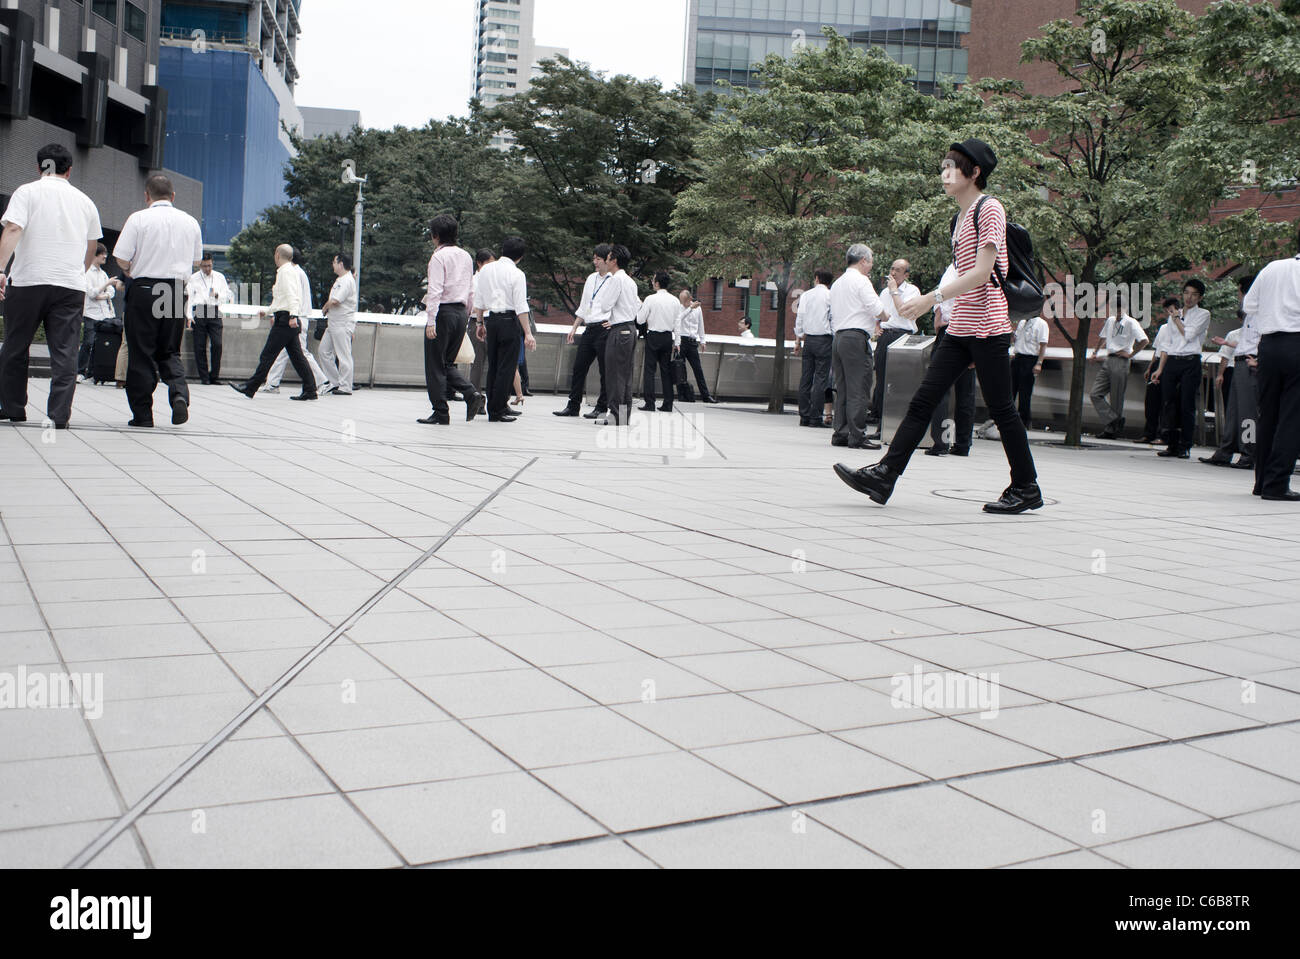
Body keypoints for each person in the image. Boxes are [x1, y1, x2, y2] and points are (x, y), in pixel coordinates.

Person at [835, 138, 1043, 514]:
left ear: (974, 172)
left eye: (952, 166)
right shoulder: (958, 219)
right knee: (923, 400)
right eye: (943, 166)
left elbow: (982, 274)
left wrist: (930, 299)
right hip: (961, 327)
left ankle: (1026, 487)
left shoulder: (989, 209)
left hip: (989, 326)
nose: (944, 173)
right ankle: (885, 475)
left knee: (1002, 409)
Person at [0, 144, 103, 429]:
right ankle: (58, 416)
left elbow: (12, 228)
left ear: (39, 167)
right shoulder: (85, 201)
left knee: (15, 346)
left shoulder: (27, 192)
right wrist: (76, 273)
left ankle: (13, 408)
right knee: (65, 351)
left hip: (28, 281)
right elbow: (91, 245)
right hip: (70, 286)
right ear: (70, 170)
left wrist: (0, 268)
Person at [113, 174, 204, 428]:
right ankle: (178, 394)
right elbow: (196, 261)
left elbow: (121, 257)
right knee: (169, 350)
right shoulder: (190, 221)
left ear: (147, 196)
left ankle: (143, 415)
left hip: (144, 289)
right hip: (174, 290)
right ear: (173, 196)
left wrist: (132, 268)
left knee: (141, 352)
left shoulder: (138, 218)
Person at [1244, 250, 1300, 500]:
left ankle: (1262, 481)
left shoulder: (1272, 267)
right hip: (1297, 343)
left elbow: (1249, 306)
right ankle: (1276, 484)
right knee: (1292, 417)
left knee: (1267, 414)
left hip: (1268, 346)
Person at [229, 245, 317, 401]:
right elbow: (283, 299)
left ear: (277, 255)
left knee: (268, 355)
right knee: (297, 357)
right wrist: (268, 311)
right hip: (285, 317)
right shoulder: (289, 271)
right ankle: (310, 389)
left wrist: (292, 316)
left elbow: (292, 296)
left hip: (285, 320)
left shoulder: (286, 272)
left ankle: (250, 387)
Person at [416, 215, 480, 425]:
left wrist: (431, 320)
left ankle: (441, 411)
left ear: (435, 236)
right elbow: (471, 290)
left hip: (443, 313)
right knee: (447, 363)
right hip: (461, 314)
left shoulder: (438, 257)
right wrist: (468, 316)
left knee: (435, 365)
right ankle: (470, 394)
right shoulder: (466, 256)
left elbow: (435, 290)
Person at [829, 244, 887, 450]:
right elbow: (878, 309)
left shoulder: (837, 283)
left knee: (843, 387)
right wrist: (885, 316)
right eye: (870, 261)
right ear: (863, 260)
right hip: (855, 338)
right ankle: (857, 435)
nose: (871, 265)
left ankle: (841, 432)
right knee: (859, 387)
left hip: (839, 337)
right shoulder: (861, 281)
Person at [477, 237, 535, 422]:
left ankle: (495, 406)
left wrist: (479, 323)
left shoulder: (486, 269)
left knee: (493, 365)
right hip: (509, 321)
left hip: (492, 320)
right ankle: (498, 409)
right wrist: (528, 332)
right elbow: (521, 306)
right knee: (507, 368)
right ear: (520, 256)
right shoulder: (517, 274)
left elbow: (479, 299)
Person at [1152, 279, 1210, 459]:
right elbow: (1166, 343)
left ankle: (1185, 445)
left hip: (1190, 361)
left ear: (1200, 297)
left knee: (1186, 404)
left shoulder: (1203, 314)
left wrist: (1176, 318)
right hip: (1172, 361)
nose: (1189, 297)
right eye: (1186, 293)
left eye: (1193, 294)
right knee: (1169, 403)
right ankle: (1171, 443)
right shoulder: (1173, 316)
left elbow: (1190, 334)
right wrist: (1160, 368)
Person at [924, 262, 976, 457]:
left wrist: (938, 317)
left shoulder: (962, 267)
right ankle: (958, 443)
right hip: (960, 329)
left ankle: (945, 443)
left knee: (943, 389)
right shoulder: (959, 266)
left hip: (958, 330)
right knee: (963, 392)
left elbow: (942, 295)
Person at [555, 244, 613, 418]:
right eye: (594, 258)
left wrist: (613, 322)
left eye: (598, 259)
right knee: (579, 367)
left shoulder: (614, 280)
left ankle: (601, 408)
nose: (595, 262)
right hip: (589, 327)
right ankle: (573, 406)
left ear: (607, 260)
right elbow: (584, 305)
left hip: (604, 328)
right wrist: (574, 327)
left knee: (605, 370)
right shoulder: (591, 278)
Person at [265, 248, 331, 395]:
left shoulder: (292, 272)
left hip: (296, 318)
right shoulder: (299, 272)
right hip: (298, 317)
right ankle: (272, 382)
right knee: (286, 352)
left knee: (300, 352)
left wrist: (289, 316)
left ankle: (322, 381)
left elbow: (292, 297)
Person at [1201, 313, 1258, 469]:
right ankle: (1224, 452)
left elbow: (1260, 343)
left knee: (1248, 415)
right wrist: (1227, 343)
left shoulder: (1262, 315)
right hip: (1238, 364)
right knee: (1232, 413)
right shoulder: (1250, 319)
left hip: (1250, 364)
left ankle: (1248, 454)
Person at [1088, 295, 1149, 438]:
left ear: (1126, 308)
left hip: (1121, 361)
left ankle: (1111, 431)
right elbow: (1103, 337)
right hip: (1109, 359)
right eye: (1115, 308)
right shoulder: (1110, 320)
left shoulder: (1131, 322)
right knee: (1095, 394)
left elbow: (1144, 340)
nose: (1118, 311)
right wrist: (1095, 352)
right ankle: (1115, 421)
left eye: (1120, 308)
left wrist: (1131, 354)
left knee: (1116, 398)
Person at [869, 259, 921, 424]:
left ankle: (895, 418)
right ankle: (878, 416)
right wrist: (877, 327)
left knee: (897, 379)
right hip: (886, 335)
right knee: (881, 377)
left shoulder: (912, 290)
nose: (893, 273)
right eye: (892, 269)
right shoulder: (885, 292)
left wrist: (894, 292)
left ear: (906, 275)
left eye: (898, 270)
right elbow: (879, 313)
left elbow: (904, 312)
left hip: (903, 336)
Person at [596, 244, 641, 425]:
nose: (605, 262)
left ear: (614, 261)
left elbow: (605, 305)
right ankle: (623, 416)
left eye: (607, 258)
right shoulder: (630, 281)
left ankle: (614, 415)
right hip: (630, 330)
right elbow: (638, 306)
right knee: (626, 376)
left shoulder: (615, 280)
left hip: (619, 331)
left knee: (614, 375)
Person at [637, 271, 682, 413]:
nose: (652, 282)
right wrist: (678, 342)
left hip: (653, 336)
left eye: (653, 280)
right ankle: (668, 403)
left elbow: (640, 320)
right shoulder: (675, 300)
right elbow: (678, 323)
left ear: (657, 283)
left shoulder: (650, 299)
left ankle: (649, 403)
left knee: (649, 371)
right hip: (668, 338)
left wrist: (641, 306)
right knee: (666, 371)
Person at [1136, 298, 1180, 444]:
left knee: (1166, 402)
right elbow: (1157, 350)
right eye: (1167, 310)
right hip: (1158, 363)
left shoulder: (1181, 327)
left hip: (1170, 364)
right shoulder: (1164, 328)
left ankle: (1164, 435)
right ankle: (1149, 433)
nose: (1169, 313)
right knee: (1151, 401)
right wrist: (1150, 367)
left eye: (1172, 310)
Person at [795, 269, 833, 427]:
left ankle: (803, 416)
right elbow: (833, 318)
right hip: (824, 339)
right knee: (821, 379)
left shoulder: (806, 295)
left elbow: (800, 317)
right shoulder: (831, 296)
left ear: (816, 278)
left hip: (808, 339)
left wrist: (799, 337)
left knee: (806, 378)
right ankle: (815, 417)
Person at [185, 256, 231, 384]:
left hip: (214, 309)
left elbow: (227, 295)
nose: (207, 268)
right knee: (199, 346)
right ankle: (204, 377)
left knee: (217, 344)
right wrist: (189, 316)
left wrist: (217, 295)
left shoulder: (219, 277)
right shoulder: (193, 278)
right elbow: (190, 299)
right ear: (200, 266)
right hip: (199, 310)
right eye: (205, 266)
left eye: (209, 265)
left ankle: (214, 376)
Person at [80, 244, 121, 381]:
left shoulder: (103, 274)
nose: (105, 256)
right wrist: (106, 285)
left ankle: (93, 372)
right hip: (92, 313)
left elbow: (111, 292)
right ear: (94, 255)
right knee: (88, 342)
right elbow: (92, 293)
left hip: (106, 314)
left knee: (100, 344)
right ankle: (80, 371)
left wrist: (102, 294)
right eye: (102, 254)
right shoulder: (87, 273)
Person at [318, 253, 358, 396]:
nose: (332, 265)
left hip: (342, 323)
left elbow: (336, 300)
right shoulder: (340, 280)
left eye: (334, 262)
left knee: (343, 355)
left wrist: (325, 307)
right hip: (333, 322)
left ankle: (346, 386)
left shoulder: (346, 280)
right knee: (324, 351)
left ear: (341, 264)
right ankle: (334, 381)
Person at [676, 289, 718, 404]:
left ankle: (706, 395)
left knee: (698, 369)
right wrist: (689, 309)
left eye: (684, 301)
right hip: (681, 340)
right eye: (681, 301)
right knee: (680, 369)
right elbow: (678, 320)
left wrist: (703, 340)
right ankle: (682, 395)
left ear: (690, 299)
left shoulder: (698, 309)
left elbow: (701, 325)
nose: (682, 303)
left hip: (692, 341)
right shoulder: (680, 308)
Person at [1011, 309, 1049, 429]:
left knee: (1025, 393)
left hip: (1030, 359)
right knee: (1011, 390)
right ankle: (1010, 419)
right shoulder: (1022, 322)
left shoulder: (1041, 324)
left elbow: (1043, 345)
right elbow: (1017, 339)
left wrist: (1039, 363)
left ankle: (1024, 421)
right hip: (1017, 357)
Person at [468, 249, 494, 395]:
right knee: (477, 364)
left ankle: (497, 403)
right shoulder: (473, 281)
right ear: (479, 263)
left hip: (493, 321)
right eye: (488, 263)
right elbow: (472, 307)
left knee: (495, 363)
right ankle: (477, 401)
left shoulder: (493, 281)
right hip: (477, 322)